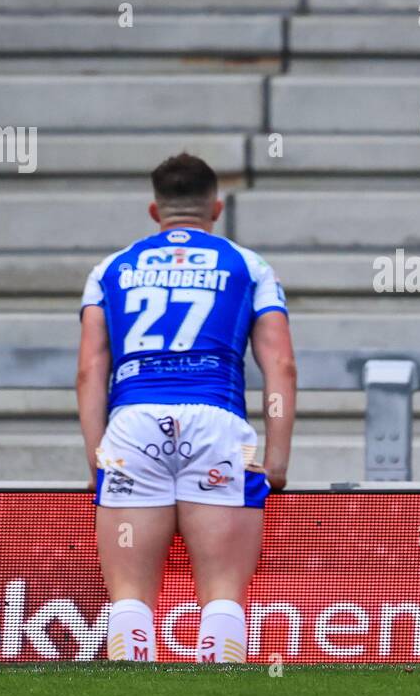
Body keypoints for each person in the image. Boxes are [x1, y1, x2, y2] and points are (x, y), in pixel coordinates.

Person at [75, 153, 296, 662]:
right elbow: (280, 364)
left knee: (130, 598)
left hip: (133, 425)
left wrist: (97, 458)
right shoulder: (249, 265)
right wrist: (278, 459)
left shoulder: (110, 269)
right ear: (216, 208)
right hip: (217, 423)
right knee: (222, 595)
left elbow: (90, 370)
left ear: (156, 212)